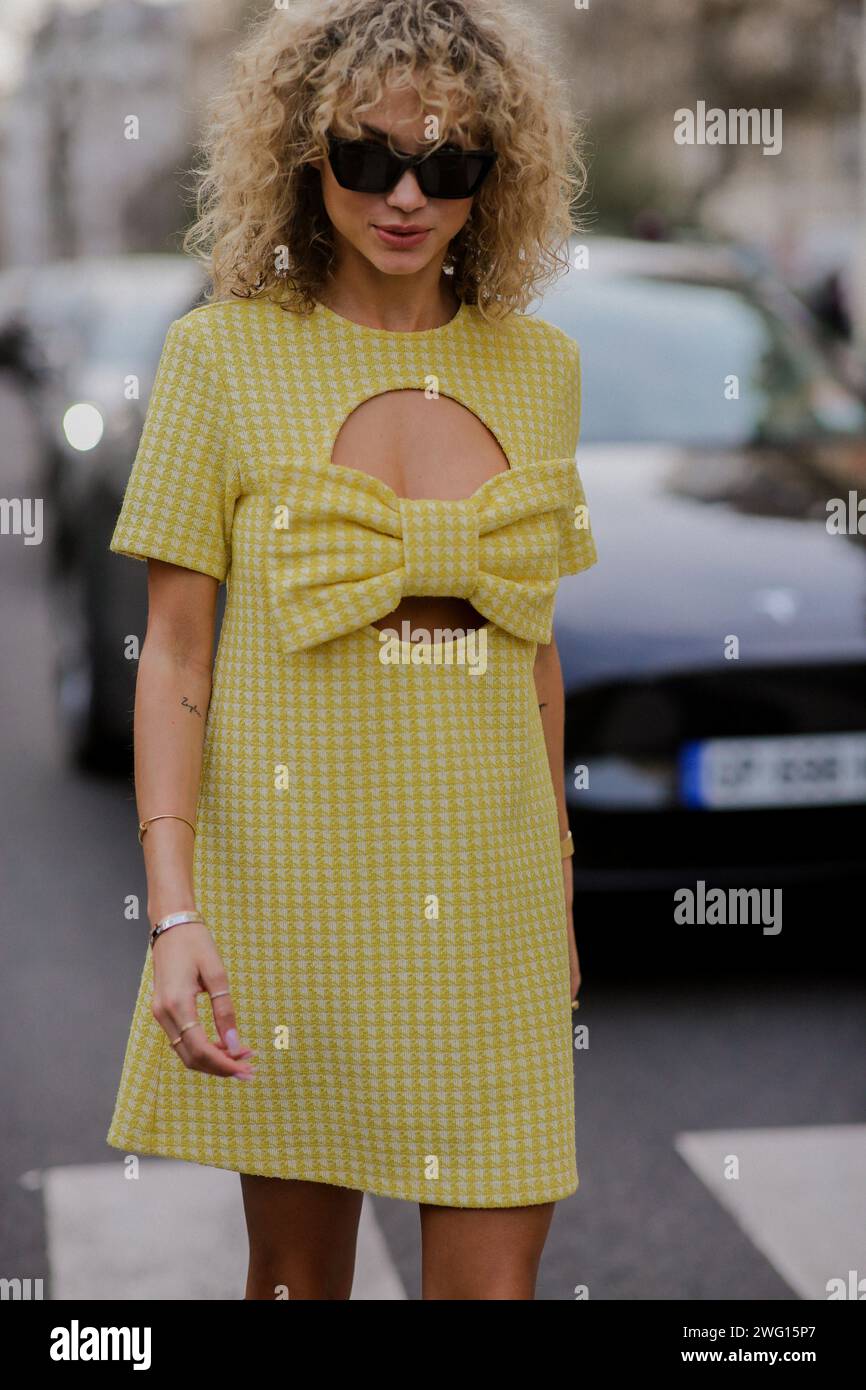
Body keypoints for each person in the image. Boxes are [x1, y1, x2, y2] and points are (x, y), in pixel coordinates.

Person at [106, 0, 597, 1300]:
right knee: (294, 1280)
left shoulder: (541, 368)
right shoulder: (216, 356)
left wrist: (555, 881)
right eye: (366, 155)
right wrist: (175, 912)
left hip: (490, 907)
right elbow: (173, 653)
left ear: (494, 176)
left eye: (447, 163)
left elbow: (533, 654)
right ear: (301, 155)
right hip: (291, 903)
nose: (402, 195)